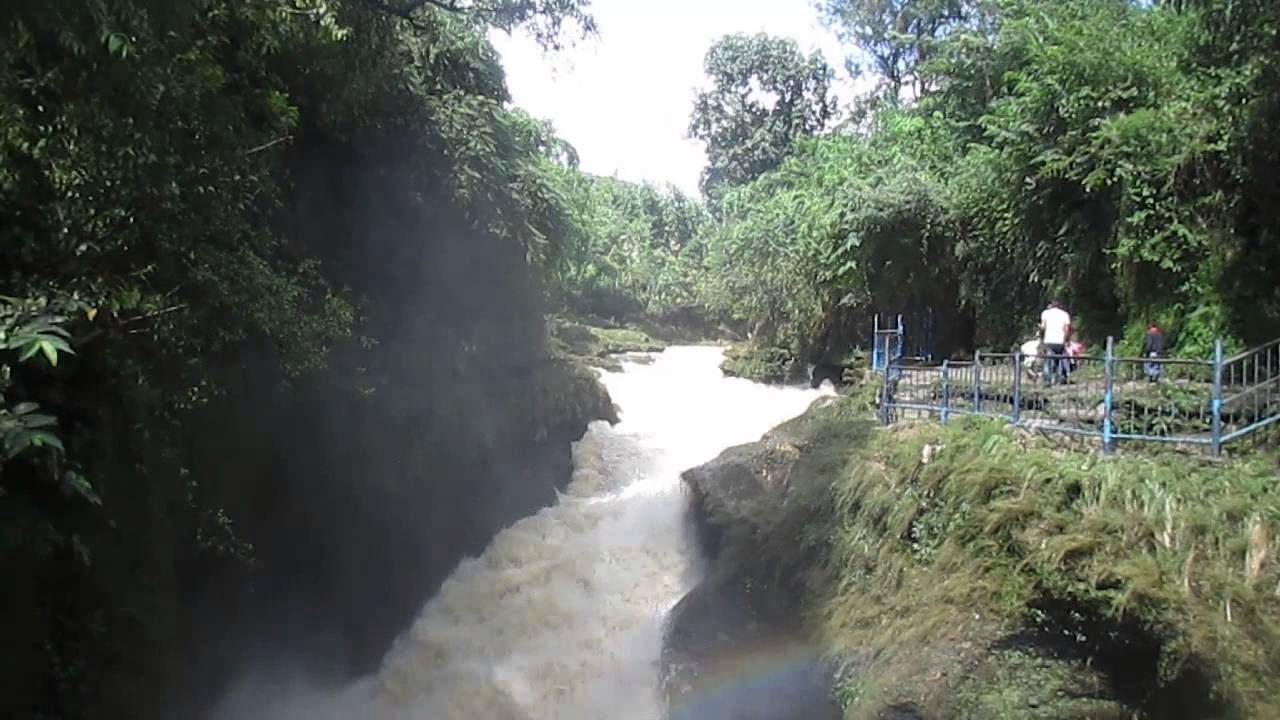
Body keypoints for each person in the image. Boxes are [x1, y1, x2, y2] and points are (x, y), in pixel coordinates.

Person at [1039, 299, 1072, 386]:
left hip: (1049, 340)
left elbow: (1042, 328)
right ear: (1060, 305)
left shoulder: (1045, 313)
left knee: (1048, 361)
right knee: (1059, 360)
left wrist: (1041, 339)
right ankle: (1059, 379)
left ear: (1051, 305)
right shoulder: (1064, 314)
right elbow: (1067, 329)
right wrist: (1067, 340)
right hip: (1060, 341)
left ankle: (1047, 380)